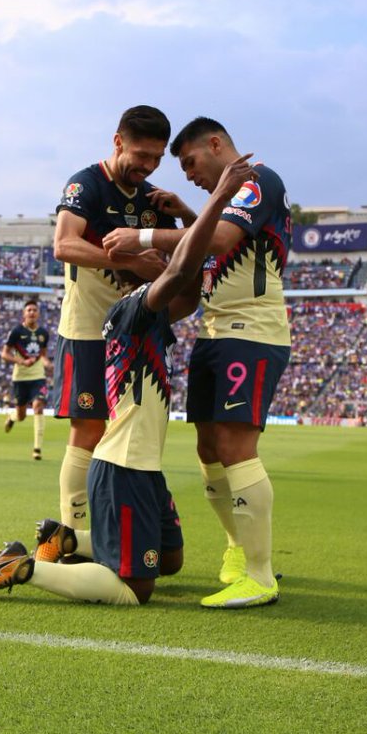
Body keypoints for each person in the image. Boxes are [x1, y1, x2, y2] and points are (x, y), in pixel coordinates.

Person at [0, 152, 256, 606]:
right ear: (139, 267)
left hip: (144, 467)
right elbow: (180, 271)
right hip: (123, 467)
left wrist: (185, 215)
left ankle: (68, 539)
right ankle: (22, 567)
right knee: (136, 589)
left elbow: (191, 287)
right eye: (156, 255)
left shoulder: (143, 311)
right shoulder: (133, 311)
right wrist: (218, 195)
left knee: (170, 560)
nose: (163, 258)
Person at [102, 117, 291, 609]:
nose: (187, 174)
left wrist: (140, 239)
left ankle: (260, 574)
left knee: (234, 445)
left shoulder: (256, 179)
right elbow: (207, 239)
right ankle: (237, 549)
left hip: (250, 332)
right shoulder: (221, 200)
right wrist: (189, 212)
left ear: (216, 144)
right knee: (208, 449)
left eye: (189, 162)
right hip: (216, 331)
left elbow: (220, 241)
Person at [50, 105, 190, 531]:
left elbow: (187, 255)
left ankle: (115, 531)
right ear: (118, 142)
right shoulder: (86, 184)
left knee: (132, 437)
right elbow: (64, 245)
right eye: (141, 155)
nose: (147, 166)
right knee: (88, 432)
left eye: (156, 158)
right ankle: (71, 536)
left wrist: (182, 211)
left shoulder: (154, 200)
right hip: (89, 330)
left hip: (138, 336)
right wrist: (129, 258)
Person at [1, 299, 51, 460]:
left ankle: (37, 449)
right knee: (21, 416)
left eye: (34, 310)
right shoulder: (16, 332)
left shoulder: (43, 333)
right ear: (24, 313)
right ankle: (12, 417)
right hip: (20, 378)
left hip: (38, 377)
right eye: (28, 310)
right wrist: (22, 361)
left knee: (38, 407)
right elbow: (5, 354)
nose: (31, 312)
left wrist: (48, 364)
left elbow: (42, 355)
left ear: (38, 313)